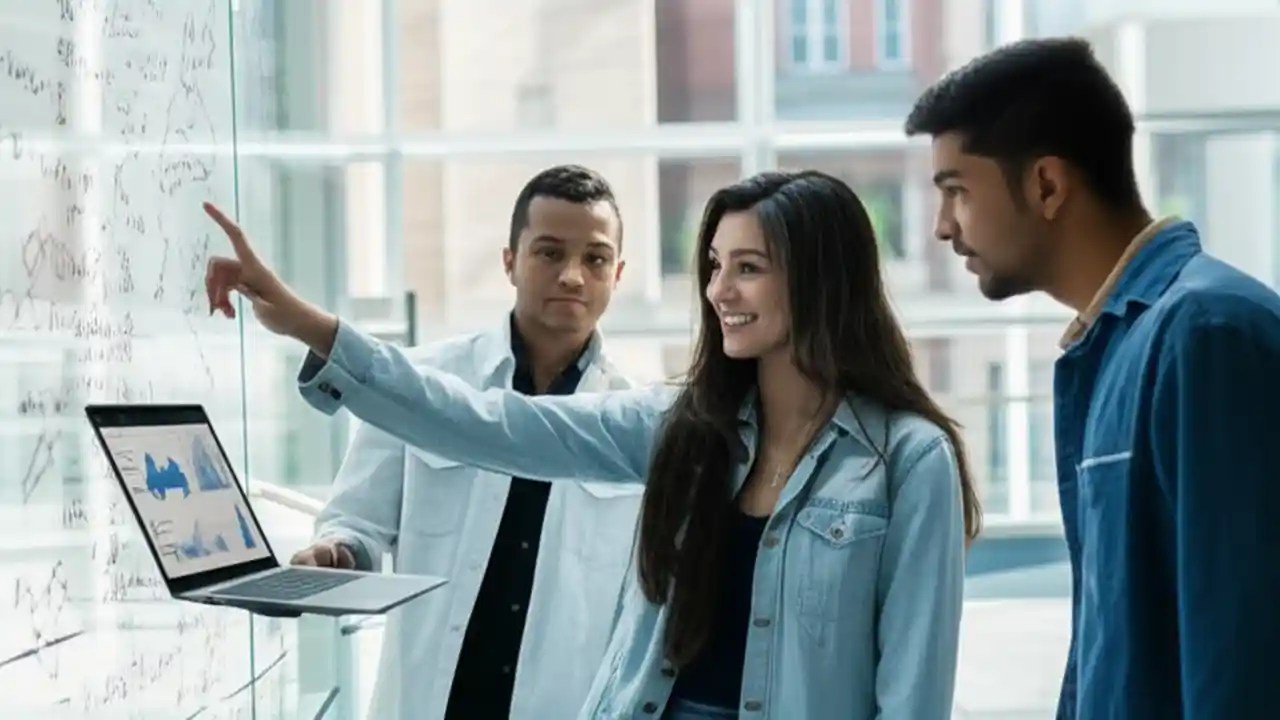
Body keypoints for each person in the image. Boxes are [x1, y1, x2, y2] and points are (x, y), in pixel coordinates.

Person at [204, 169, 982, 719]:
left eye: (748, 268)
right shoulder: (684, 428)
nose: (719, 291)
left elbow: (911, 695)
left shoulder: (908, 462)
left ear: (820, 282)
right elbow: (489, 424)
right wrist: (309, 325)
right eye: (714, 266)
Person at [905, 36, 1280, 719]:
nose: (941, 227)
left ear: (1046, 183)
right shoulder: (1115, 347)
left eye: (956, 191)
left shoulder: (1205, 334)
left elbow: (1241, 651)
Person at [282, 165, 644, 719]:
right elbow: (357, 523)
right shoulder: (419, 388)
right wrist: (341, 553)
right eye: (549, 253)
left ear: (616, 274)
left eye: (594, 258)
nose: (573, 276)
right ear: (510, 261)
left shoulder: (631, 423)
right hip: (429, 704)